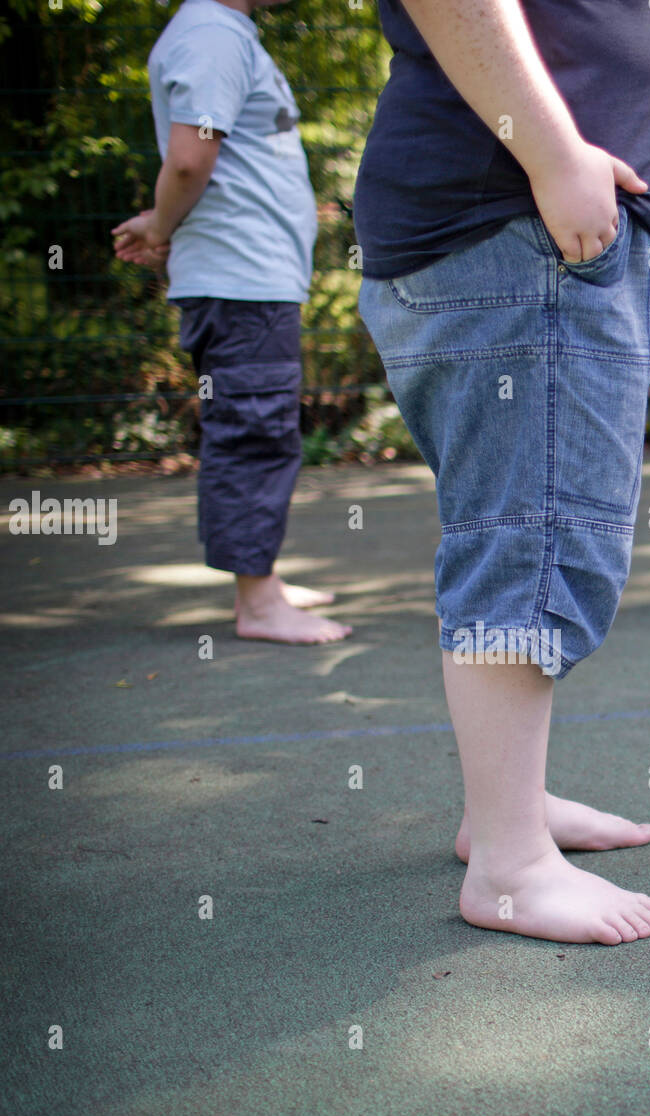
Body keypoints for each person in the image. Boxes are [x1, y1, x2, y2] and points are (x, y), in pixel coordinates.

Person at [354, 0, 650, 944]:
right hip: (514, 218)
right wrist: (551, 153)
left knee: (521, 526)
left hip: (514, 220)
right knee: (528, 543)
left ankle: (510, 810)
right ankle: (509, 865)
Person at [112, 0, 351, 645]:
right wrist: (160, 227)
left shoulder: (221, 34)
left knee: (259, 423)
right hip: (240, 278)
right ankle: (258, 604)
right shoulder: (212, 33)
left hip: (250, 276)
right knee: (254, 428)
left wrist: (160, 224)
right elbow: (191, 159)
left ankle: (261, 582)